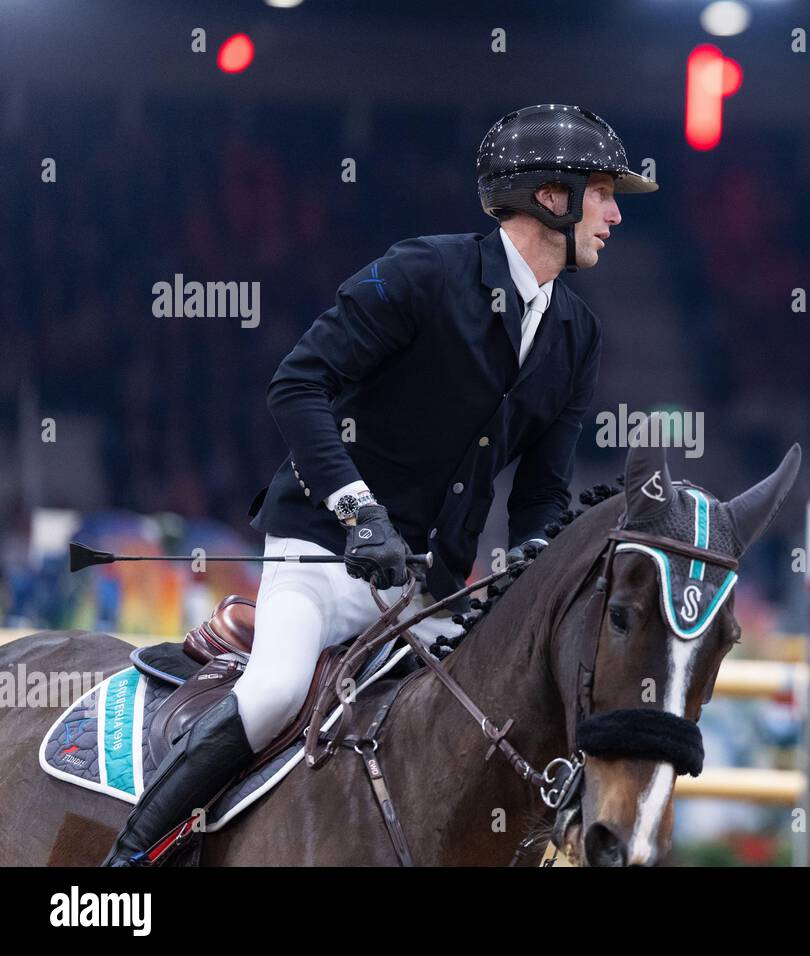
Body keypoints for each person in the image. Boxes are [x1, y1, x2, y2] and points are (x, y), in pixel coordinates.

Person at [103, 104, 656, 865]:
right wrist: (359, 511)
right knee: (270, 698)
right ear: (551, 197)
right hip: (325, 550)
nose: (616, 214)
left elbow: (542, 495)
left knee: (486, 731)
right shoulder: (424, 274)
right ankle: (127, 865)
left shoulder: (577, 335)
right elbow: (297, 386)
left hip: (428, 590)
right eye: (603, 194)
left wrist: (533, 565)